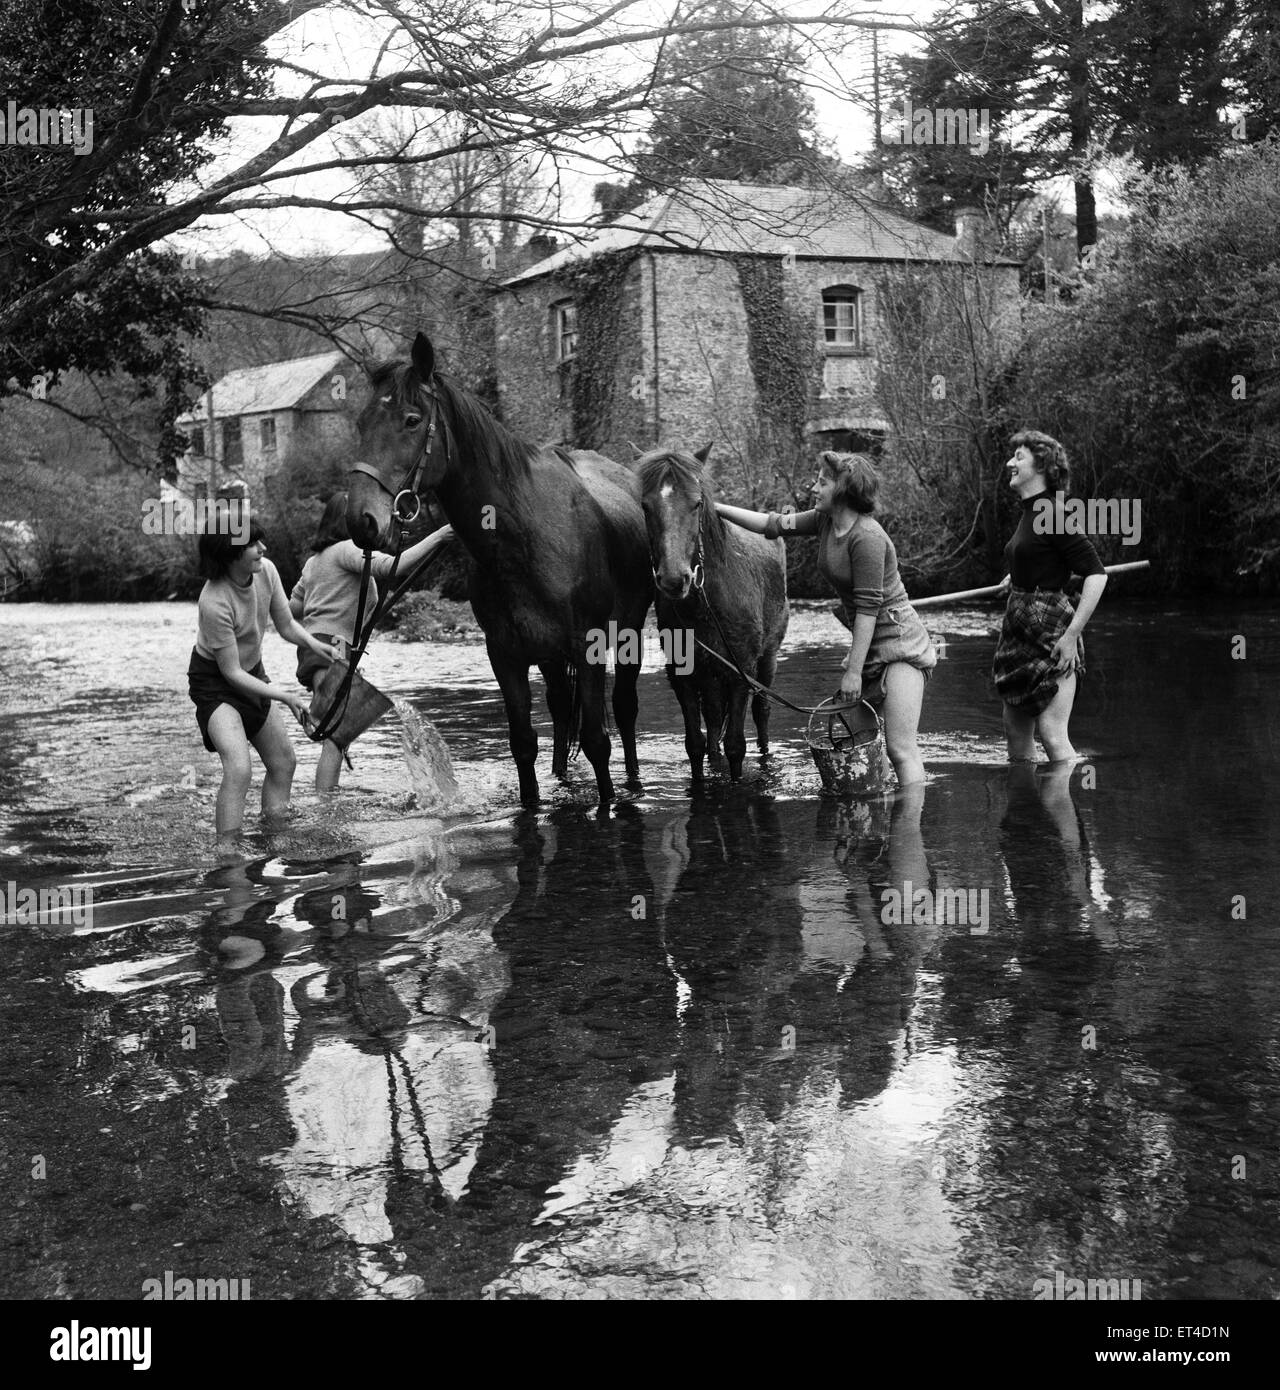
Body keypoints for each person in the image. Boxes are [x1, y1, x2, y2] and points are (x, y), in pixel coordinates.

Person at [716, 451, 936, 787]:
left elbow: (867, 609)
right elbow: (770, 525)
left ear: (843, 489)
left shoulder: (868, 538)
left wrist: (852, 672)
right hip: (868, 647)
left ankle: (908, 835)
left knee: (900, 750)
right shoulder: (823, 521)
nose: (814, 487)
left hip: (901, 644)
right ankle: (881, 825)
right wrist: (713, 507)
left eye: (822, 481)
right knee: (866, 748)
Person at [188, 515, 336, 860]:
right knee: (239, 767)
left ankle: (275, 836)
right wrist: (283, 696)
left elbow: (285, 624)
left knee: (283, 762)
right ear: (230, 553)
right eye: (253, 544)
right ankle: (227, 853)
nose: (263, 548)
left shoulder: (265, 571)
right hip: (216, 684)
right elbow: (231, 673)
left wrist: (316, 645)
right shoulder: (214, 601)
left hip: (251, 672)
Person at [289, 493, 454, 791]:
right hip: (333, 648)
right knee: (336, 738)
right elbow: (393, 566)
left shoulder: (314, 562)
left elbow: (293, 609)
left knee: (335, 734)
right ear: (349, 521)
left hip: (313, 649)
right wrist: (440, 536)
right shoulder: (348, 551)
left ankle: (327, 803)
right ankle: (325, 809)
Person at [993, 430, 1107, 763]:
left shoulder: (1054, 514)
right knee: (1015, 733)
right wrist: (1018, 576)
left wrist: (1072, 636)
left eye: (1018, 457)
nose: (1009, 463)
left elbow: (1097, 575)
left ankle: (1064, 814)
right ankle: (1026, 813)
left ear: (1040, 465)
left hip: (1051, 632)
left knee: (1052, 735)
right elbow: (1041, 555)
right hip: (1018, 631)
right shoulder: (1032, 511)